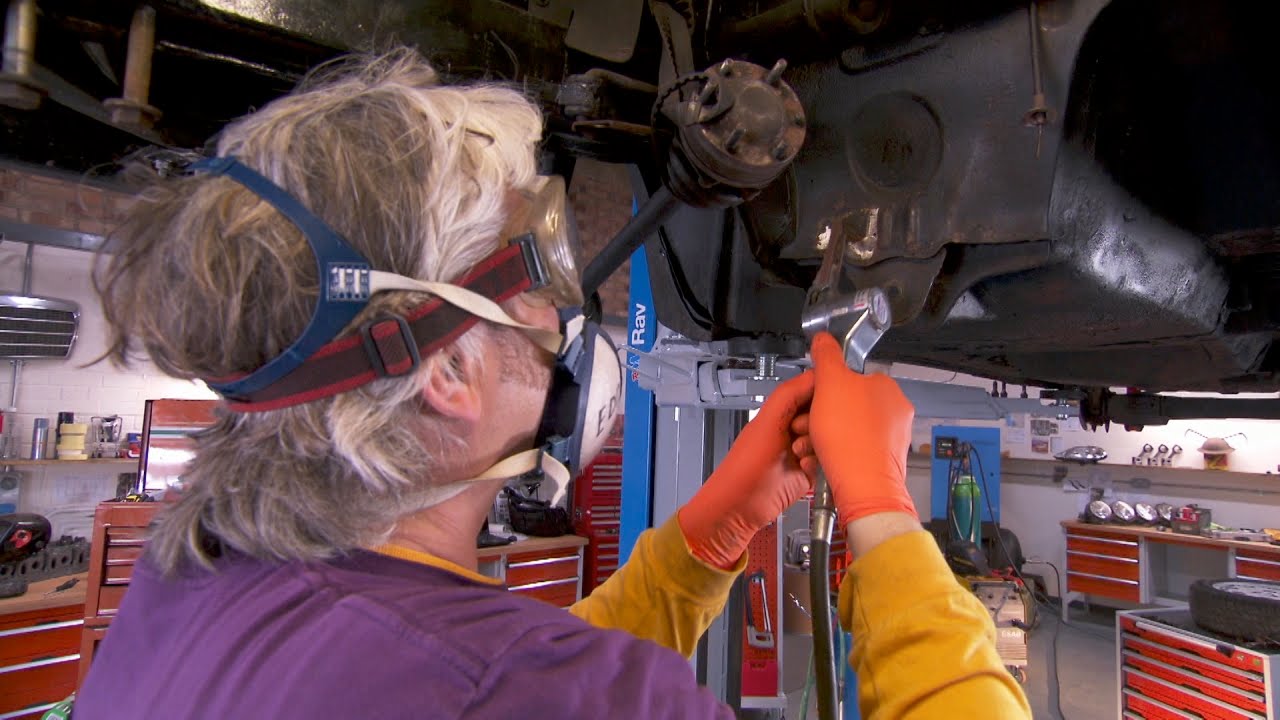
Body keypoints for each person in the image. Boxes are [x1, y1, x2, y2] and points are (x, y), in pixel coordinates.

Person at [76, 50, 1029, 719]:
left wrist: (713, 532)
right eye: (534, 270)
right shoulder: (519, 692)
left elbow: (517, 669)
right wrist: (887, 519)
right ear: (446, 368)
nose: (558, 313)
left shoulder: (185, 583)